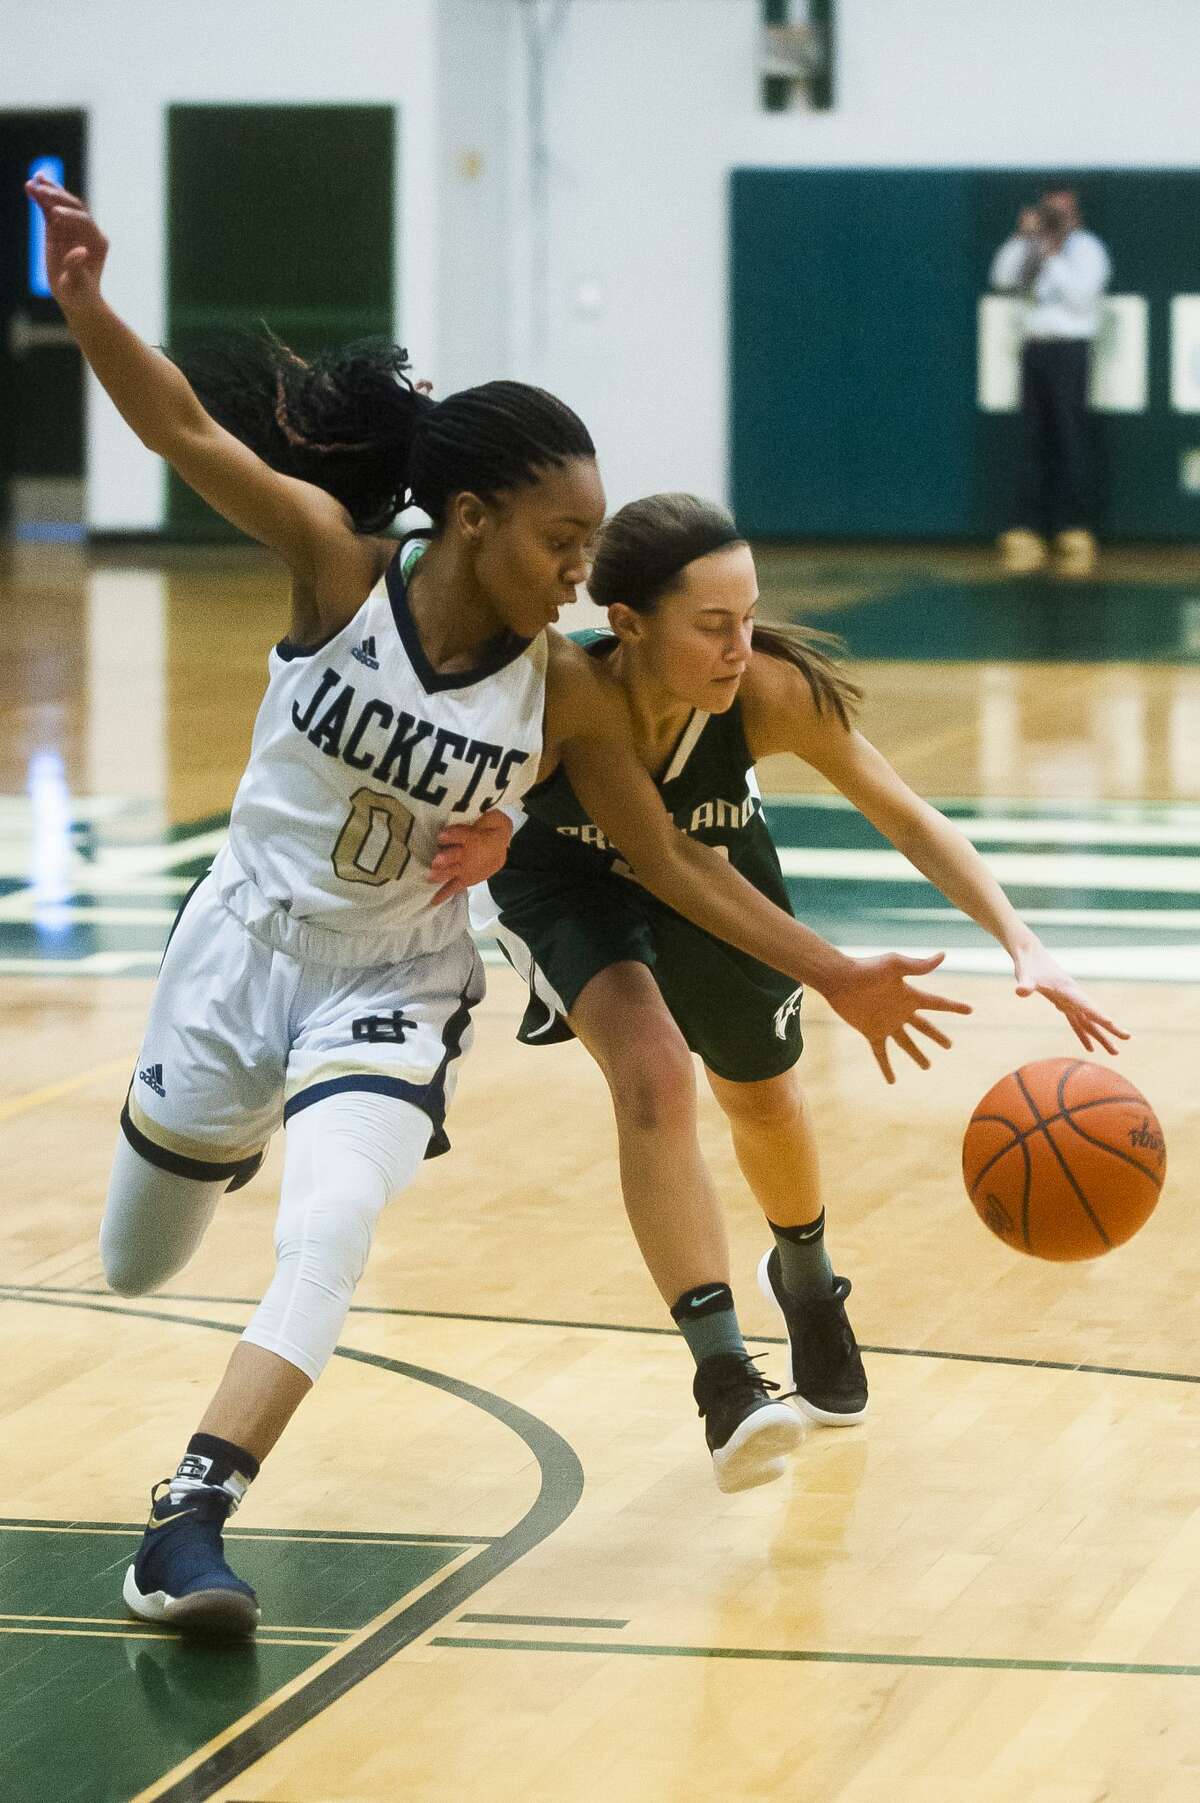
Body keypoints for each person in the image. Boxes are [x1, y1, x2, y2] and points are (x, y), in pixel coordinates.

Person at [29, 174, 974, 1635]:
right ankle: (217, 1134)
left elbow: (667, 863)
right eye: (561, 541)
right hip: (237, 951)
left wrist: (836, 972)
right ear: (471, 520)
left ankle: (188, 1517)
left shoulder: (574, 689)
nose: (583, 573)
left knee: (331, 1226)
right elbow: (184, 431)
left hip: (394, 981)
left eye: (596, 546)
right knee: (136, 1254)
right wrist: (88, 305)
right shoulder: (340, 577)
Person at [479, 493, 1129, 1491]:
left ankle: (809, 1282)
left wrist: (1020, 935)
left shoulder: (769, 694)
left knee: (764, 1097)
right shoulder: (559, 691)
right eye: (713, 626)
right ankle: (726, 1376)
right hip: (565, 880)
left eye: (748, 619)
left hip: (712, 861)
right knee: (653, 1075)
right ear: (629, 623)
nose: (741, 646)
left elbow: (905, 817)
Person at [989, 189, 1111, 577]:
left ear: (1075, 215)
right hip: (1035, 348)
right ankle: (1027, 526)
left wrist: (1055, 255)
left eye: (1061, 213)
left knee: (1069, 436)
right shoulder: (1029, 245)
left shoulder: (1088, 249)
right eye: (1049, 213)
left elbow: (1080, 298)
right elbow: (1002, 278)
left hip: (1070, 350)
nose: (1054, 219)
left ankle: (1070, 525)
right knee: (1033, 436)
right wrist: (1021, 238)